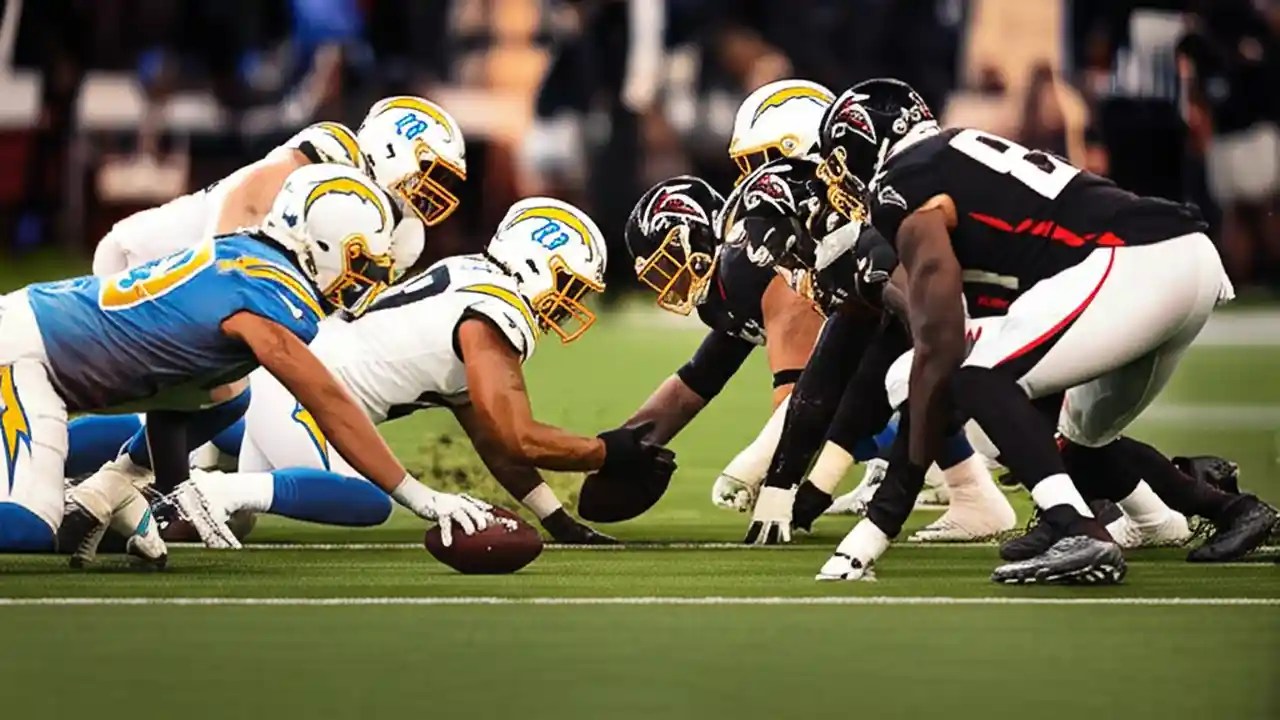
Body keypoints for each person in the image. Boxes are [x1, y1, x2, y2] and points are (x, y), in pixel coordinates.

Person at [810, 78, 1277, 584]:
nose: (843, 177)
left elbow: (941, 346)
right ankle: (1234, 510)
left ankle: (1078, 528)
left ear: (866, 141)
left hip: (1132, 261)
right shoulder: (959, 158)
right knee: (1080, 440)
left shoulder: (904, 179)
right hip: (1184, 261)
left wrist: (881, 520)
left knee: (972, 375)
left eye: (840, 160)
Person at [0, 165, 491, 566]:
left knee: (228, 396)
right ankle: (64, 497)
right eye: (359, 264)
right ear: (319, 244)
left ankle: (113, 489)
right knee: (27, 526)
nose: (363, 282)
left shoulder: (249, 255)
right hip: (26, 354)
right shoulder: (271, 291)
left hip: (41, 343)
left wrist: (175, 486)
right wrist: (421, 496)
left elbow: (182, 387)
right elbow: (326, 399)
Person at [167, 198, 640, 548]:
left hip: (286, 388)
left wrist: (557, 520)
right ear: (536, 263)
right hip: (303, 397)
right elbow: (518, 436)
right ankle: (209, 483)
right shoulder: (494, 312)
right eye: (570, 286)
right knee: (366, 500)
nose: (571, 305)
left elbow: (493, 439)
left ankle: (143, 502)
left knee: (221, 520)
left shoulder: (471, 280)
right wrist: (605, 453)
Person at [84, 96, 468, 501]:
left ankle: (134, 483)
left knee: (231, 423)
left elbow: (333, 306)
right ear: (391, 149)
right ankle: (69, 469)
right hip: (152, 262)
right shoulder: (332, 155)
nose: (433, 190)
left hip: (223, 289)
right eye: (429, 172)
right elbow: (245, 206)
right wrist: (215, 304)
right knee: (209, 417)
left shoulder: (403, 233)